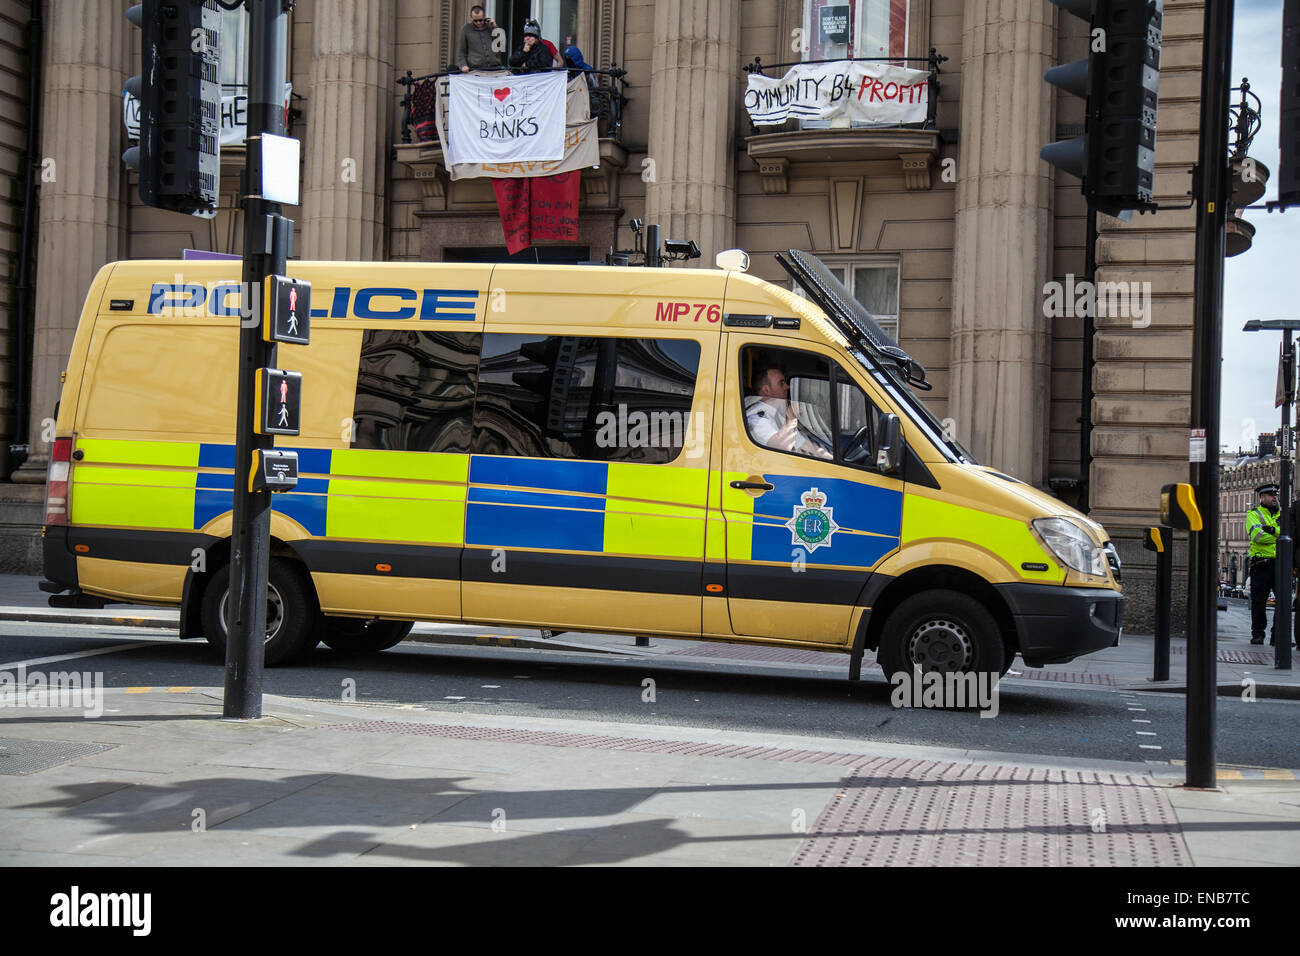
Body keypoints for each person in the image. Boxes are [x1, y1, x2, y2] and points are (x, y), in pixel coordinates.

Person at [743, 367, 833, 460]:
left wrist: (831, 459)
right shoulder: (755, 418)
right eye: (781, 383)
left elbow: (804, 445)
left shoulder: (777, 414)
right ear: (766, 390)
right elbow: (781, 447)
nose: (787, 387)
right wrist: (791, 418)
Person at [1247, 483, 1282, 644]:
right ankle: (1258, 634)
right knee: (1259, 601)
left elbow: (1289, 533)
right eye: (1270, 495)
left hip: (1281, 563)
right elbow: (1258, 536)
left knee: (1283, 602)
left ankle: (1278, 636)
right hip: (1261, 564)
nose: (1275, 497)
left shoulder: (1283, 514)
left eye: (1276, 495)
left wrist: (1272, 530)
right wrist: (1278, 533)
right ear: (1262, 497)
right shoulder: (1254, 514)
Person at [457, 5, 504, 72]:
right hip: (476, 70)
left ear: (484, 17)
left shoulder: (490, 27)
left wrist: (495, 27)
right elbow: (462, 51)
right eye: (475, 21)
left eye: (480, 20)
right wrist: (463, 65)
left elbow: (501, 44)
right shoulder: (466, 29)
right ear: (471, 17)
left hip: (494, 68)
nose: (478, 22)